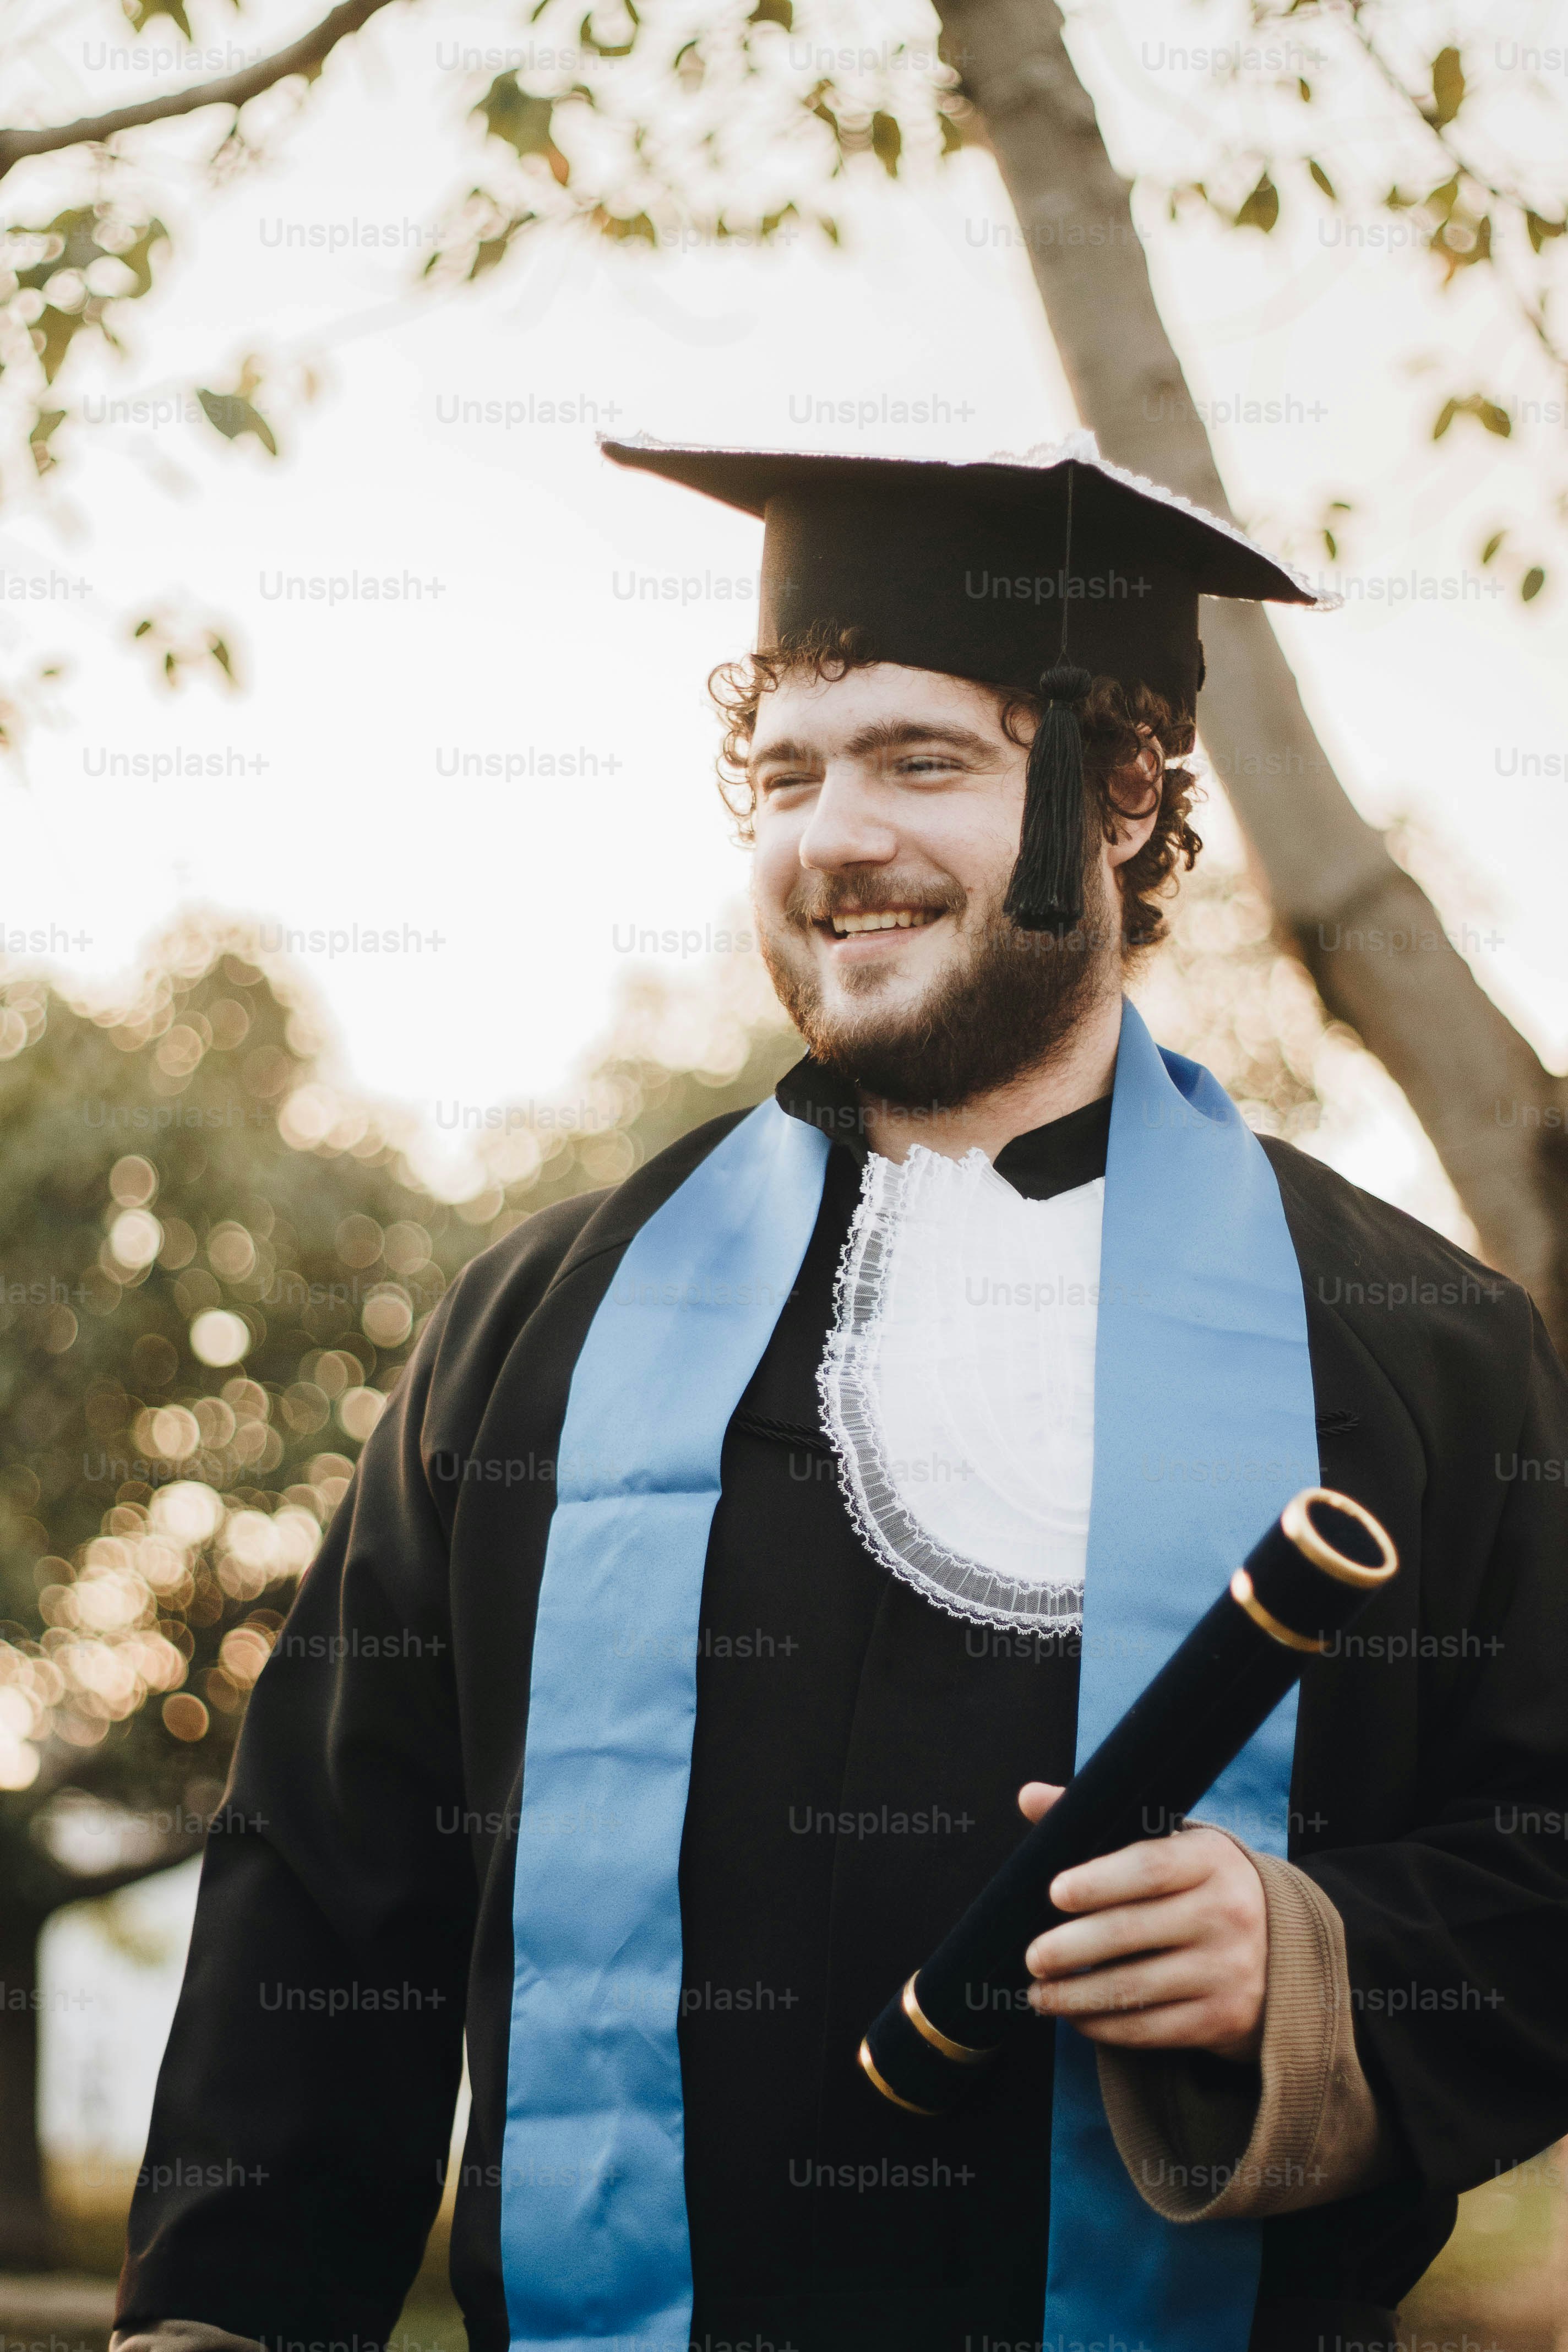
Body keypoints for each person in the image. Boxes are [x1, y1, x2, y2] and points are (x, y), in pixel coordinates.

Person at [115, 435, 1568, 2352]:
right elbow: (318, 1896)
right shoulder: (539, 1323)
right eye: (787, 773)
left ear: (1126, 792)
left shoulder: (1412, 1344)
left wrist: (1317, 1965)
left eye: (921, 761)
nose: (832, 839)